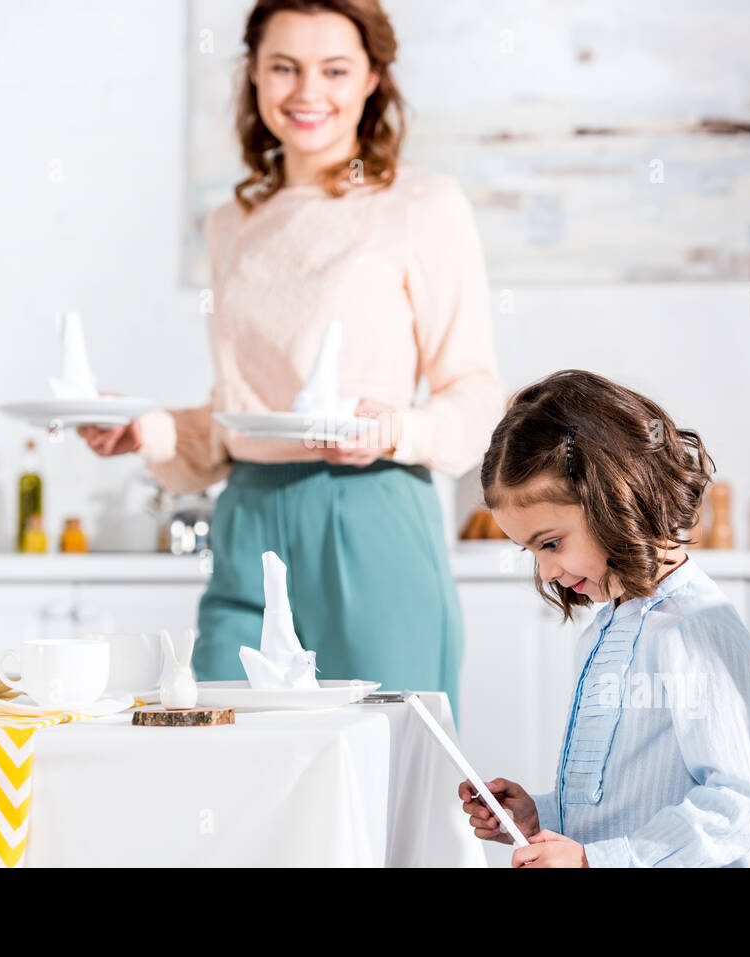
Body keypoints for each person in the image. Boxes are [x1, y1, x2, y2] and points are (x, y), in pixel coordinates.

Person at [80, 0, 502, 713]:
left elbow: (476, 390)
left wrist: (395, 429)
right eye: (284, 67)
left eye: (334, 69)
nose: (308, 92)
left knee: (388, 762)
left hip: (372, 515)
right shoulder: (231, 224)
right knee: (227, 746)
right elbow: (237, 413)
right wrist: (149, 429)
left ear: (372, 78)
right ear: (254, 74)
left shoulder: (421, 205)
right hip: (247, 516)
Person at [459, 370, 750, 867]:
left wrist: (594, 863)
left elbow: (739, 804)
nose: (546, 571)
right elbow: (621, 807)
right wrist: (538, 820)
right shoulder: (607, 630)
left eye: (551, 543)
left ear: (617, 497)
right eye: (531, 552)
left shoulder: (696, 631)